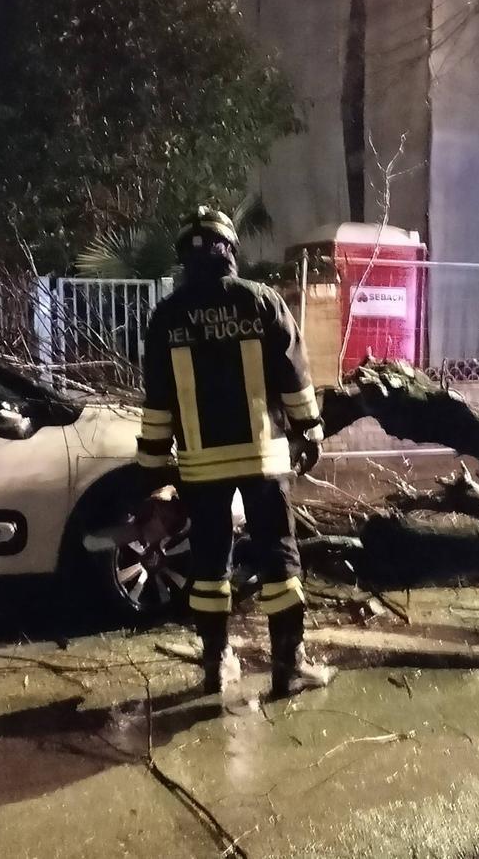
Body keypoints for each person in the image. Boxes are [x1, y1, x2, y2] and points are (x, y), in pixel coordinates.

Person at [136, 206, 334, 699]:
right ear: (231, 250)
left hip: (201, 465)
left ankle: (216, 664)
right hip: (264, 459)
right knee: (279, 559)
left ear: (185, 258)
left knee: (208, 567)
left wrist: (155, 468)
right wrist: (310, 430)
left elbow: (157, 398)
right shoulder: (261, 301)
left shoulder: (166, 317)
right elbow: (293, 373)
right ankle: (289, 667)